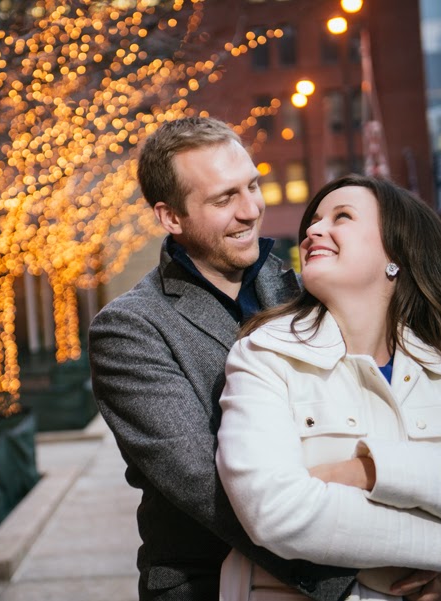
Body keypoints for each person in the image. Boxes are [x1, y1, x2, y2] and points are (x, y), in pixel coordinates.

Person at [216, 175, 441, 601]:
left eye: (342, 217)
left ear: (396, 256)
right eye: (314, 221)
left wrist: (367, 471)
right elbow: (272, 509)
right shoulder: (264, 355)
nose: (313, 230)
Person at [89, 116, 358, 601]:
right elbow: (207, 485)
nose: (250, 210)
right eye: (223, 199)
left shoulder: (305, 290)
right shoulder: (129, 328)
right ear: (171, 218)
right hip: (209, 584)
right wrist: (373, 563)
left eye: (252, 185)